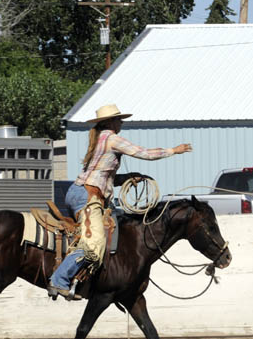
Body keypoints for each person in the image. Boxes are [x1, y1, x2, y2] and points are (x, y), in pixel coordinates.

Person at [47, 104, 192, 300]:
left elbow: (102, 176)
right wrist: (174, 150)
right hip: (88, 197)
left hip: (83, 192)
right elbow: (144, 153)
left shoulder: (100, 139)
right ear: (110, 122)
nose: (121, 123)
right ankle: (59, 280)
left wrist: (125, 178)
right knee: (94, 244)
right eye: (118, 119)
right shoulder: (112, 139)